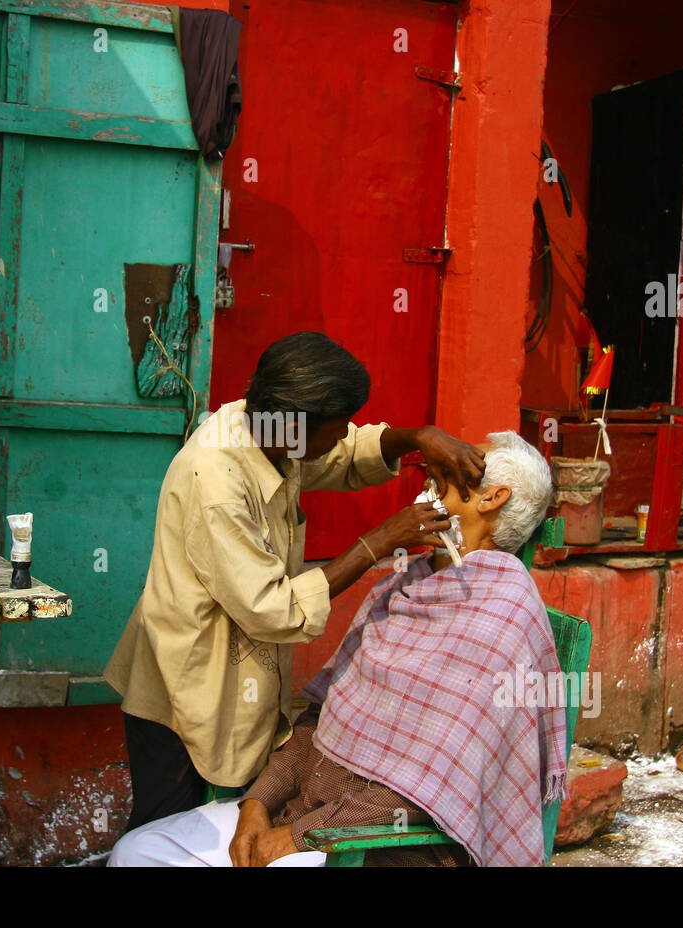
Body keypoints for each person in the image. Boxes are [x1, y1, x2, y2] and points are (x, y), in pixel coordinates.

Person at [108, 430, 567, 867]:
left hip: (373, 847)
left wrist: (297, 837)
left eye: (464, 461)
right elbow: (318, 721)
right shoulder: (406, 585)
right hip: (304, 810)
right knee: (140, 851)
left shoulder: (501, 614)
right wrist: (257, 803)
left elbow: (428, 788)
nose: (438, 467)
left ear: (493, 497)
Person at [104, 331, 486, 830]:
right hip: (184, 688)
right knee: (166, 834)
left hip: (232, 684)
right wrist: (378, 540)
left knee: (220, 835)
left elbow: (347, 456)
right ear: (294, 427)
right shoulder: (216, 478)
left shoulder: (269, 432)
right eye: (336, 428)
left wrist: (416, 437)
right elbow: (271, 609)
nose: (341, 437)